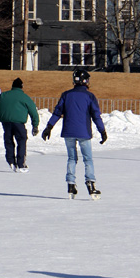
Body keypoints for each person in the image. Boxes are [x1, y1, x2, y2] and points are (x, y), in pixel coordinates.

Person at [41, 68, 108, 199]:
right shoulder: (89, 96)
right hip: (84, 133)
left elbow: (57, 112)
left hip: (68, 132)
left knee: (72, 158)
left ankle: (71, 184)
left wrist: (49, 127)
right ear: (85, 81)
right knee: (87, 159)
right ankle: (91, 184)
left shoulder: (66, 95)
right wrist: (102, 131)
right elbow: (96, 116)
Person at [0, 77, 39, 172]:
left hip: (6, 122)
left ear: (12, 86)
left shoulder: (3, 95)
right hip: (19, 123)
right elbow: (33, 111)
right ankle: (21, 163)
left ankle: (11, 161)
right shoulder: (24, 97)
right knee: (21, 140)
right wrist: (35, 125)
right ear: (22, 86)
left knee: (8, 140)